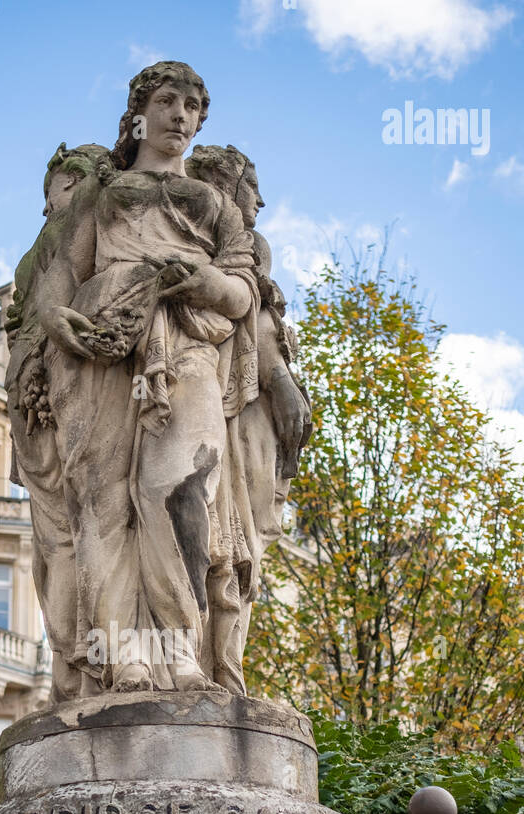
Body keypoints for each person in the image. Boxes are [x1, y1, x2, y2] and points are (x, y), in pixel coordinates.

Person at [37, 61, 261, 694]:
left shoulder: (212, 205)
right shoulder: (103, 197)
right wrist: (58, 320)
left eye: (193, 107)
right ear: (138, 113)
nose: (181, 116)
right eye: (168, 101)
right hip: (100, 349)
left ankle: (179, 650)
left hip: (187, 344)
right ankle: (124, 656)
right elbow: (61, 269)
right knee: (103, 502)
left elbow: (243, 292)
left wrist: (206, 281)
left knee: (181, 491)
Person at [185, 144, 313, 684]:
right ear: (224, 185)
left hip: (243, 407)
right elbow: (250, 322)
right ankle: (210, 665)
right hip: (232, 405)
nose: (260, 197)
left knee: (241, 544)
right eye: (250, 184)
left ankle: (223, 665)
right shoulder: (233, 239)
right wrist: (280, 379)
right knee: (225, 539)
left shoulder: (240, 243)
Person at [4, 142, 111, 701]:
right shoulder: (63, 236)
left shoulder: (87, 218)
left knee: (66, 538)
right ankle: (85, 668)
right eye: (49, 196)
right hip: (48, 382)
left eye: (58, 191)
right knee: (80, 528)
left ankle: (77, 673)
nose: (50, 206)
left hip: (37, 382)